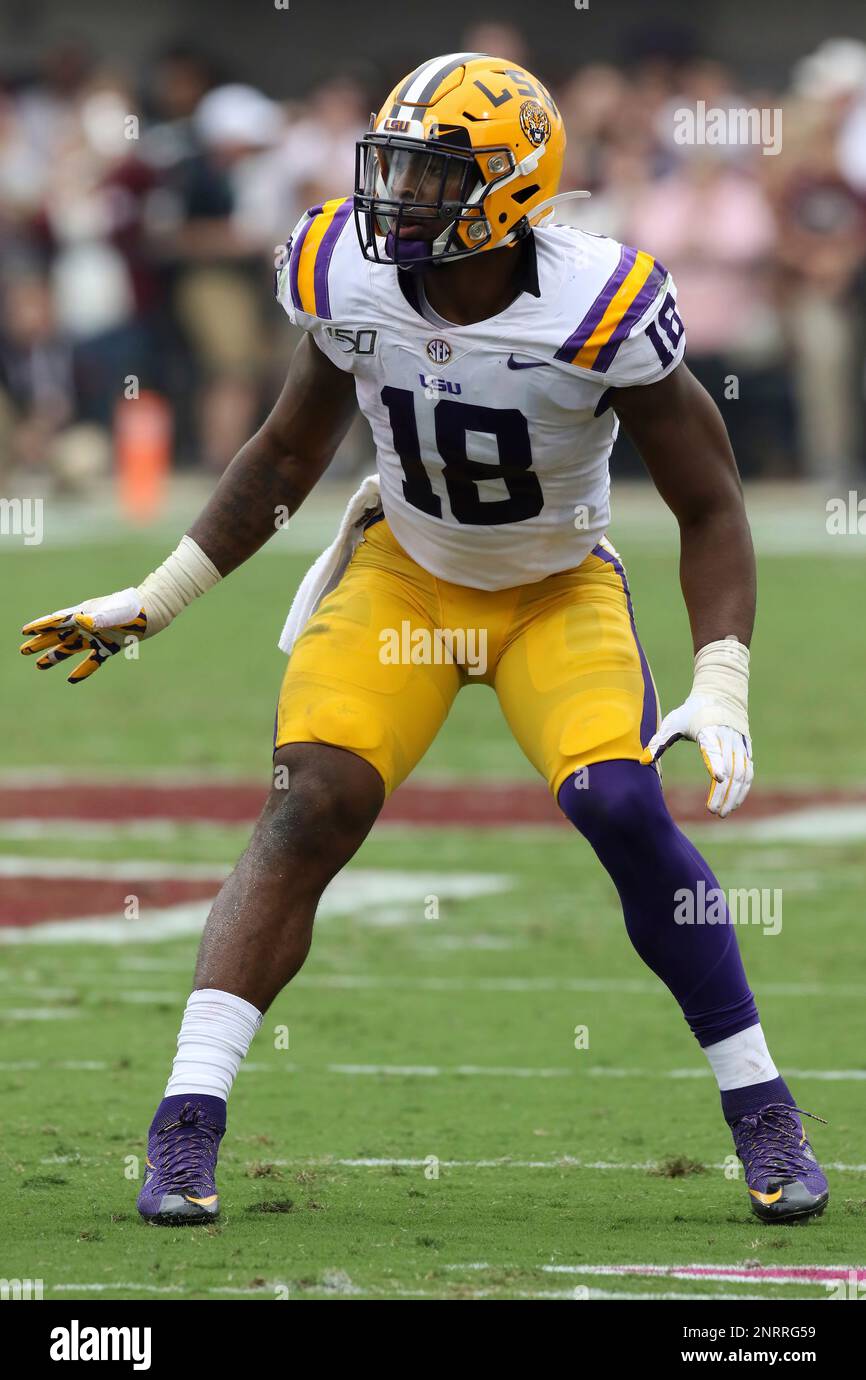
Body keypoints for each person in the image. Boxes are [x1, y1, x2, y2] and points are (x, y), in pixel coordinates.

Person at [21, 53, 828, 1227]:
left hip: (553, 590)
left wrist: (720, 677)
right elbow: (287, 455)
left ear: (507, 192)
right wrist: (160, 593)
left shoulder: (596, 303)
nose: (391, 195)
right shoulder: (346, 268)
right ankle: (184, 1128)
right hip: (402, 576)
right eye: (389, 165)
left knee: (619, 807)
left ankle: (761, 1108)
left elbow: (708, 500)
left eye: (426, 173)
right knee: (308, 803)